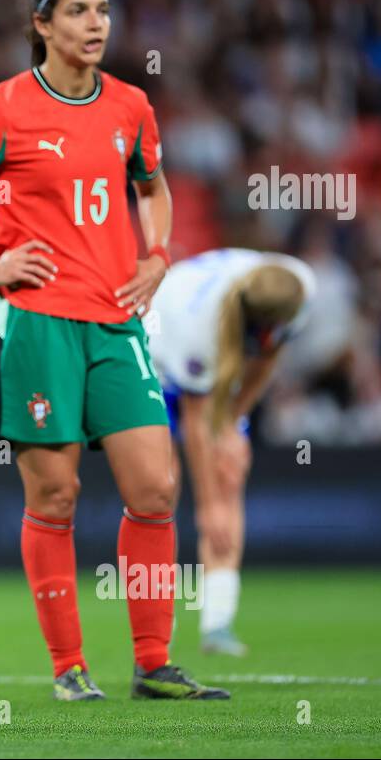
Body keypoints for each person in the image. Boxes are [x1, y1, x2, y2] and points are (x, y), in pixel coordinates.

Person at [0, 0, 229, 701]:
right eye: (80, 11)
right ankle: (69, 669)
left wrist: (158, 253)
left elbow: (153, 185)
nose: (97, 24)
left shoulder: (130, 107)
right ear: (43, 26)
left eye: (104, 10)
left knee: (156, 484)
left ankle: (153, 663)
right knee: (55, 496)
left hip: (116, 320)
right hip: (37, 323)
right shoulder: (4, 110)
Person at [148, 248, 316, 655]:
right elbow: (195, 421)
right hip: (155, 360)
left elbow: (268, 357)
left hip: (209, 373)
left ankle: (218, 623)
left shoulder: (300, 284)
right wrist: (208, 509)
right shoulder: (197, 329)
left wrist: (234, 423)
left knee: (229, 474)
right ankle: (154, 627)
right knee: (158, 489)